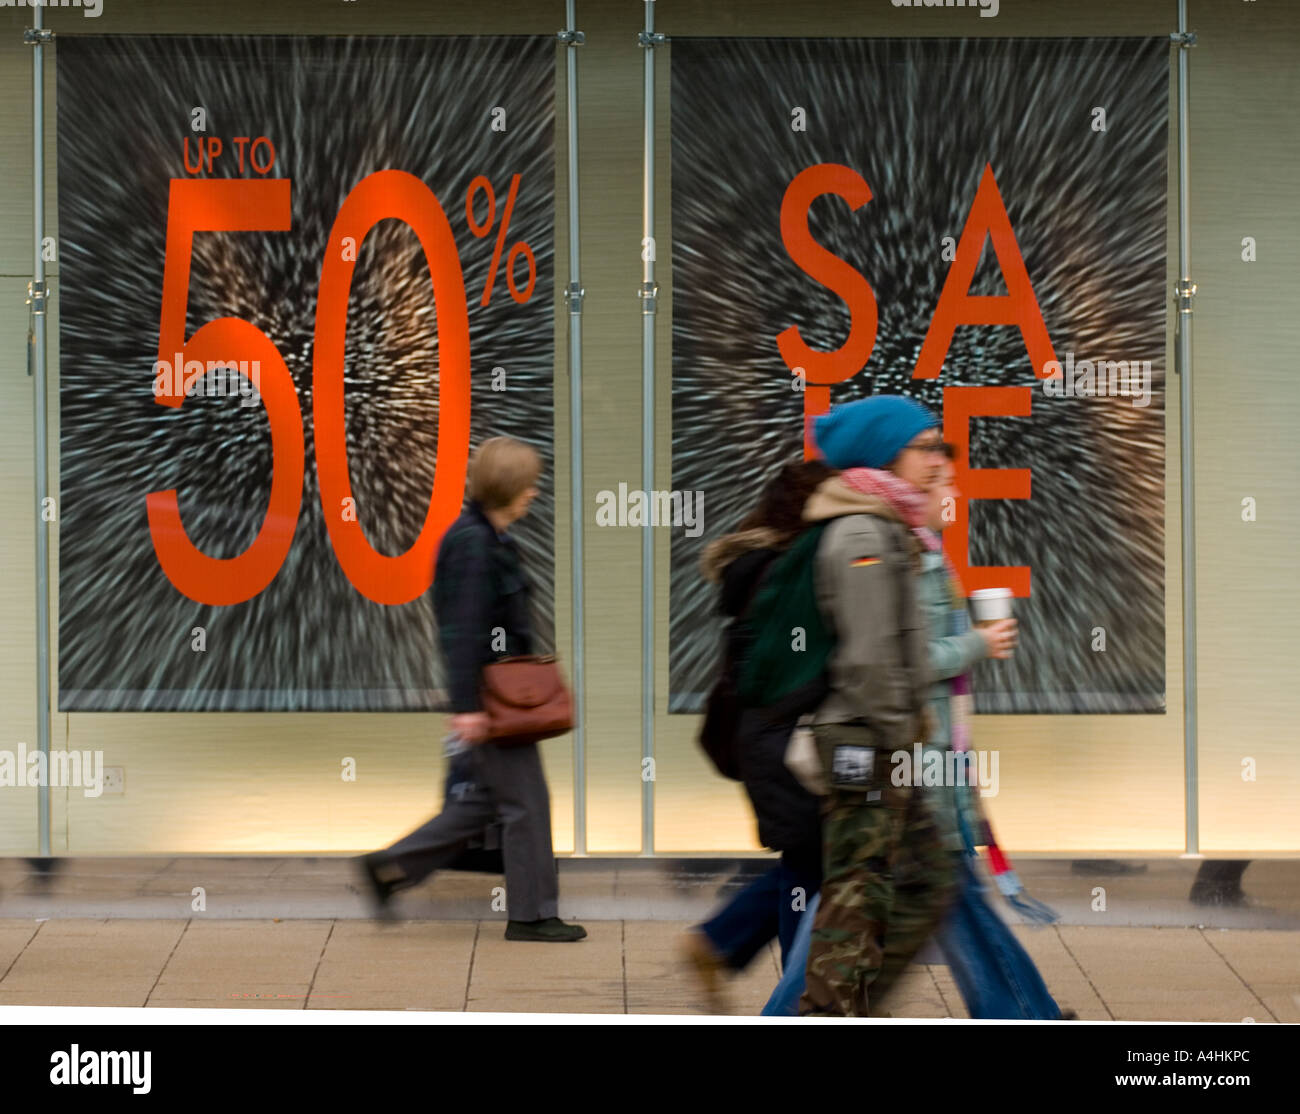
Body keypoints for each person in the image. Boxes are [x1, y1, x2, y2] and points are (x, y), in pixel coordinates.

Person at [763, 446, 1068, 1019]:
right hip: (903, 756)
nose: (950, 496)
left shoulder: (924, 553)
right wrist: (977, 645)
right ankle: (1025, 1014)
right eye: (938, 483)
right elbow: (896, 660)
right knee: (889, 896)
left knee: (870, 899)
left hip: (919, 755)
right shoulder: (889, 548)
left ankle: (1021, 1011)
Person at [358, 437, 586, 943]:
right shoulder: (473, 543)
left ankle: (389, 868)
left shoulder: (491, 538)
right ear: (507, 487)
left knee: (485, 804)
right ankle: (531, 916)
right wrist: (467, 708)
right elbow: (462, 630)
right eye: (528, 484)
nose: (534, 493)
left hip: (501, 701)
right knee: (526, 805)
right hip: (495, 704)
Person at [795, 395, 959, 1017]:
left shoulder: (889, 524)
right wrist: (900, 735)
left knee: (922, 882)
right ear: (885, 453)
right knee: (858, 888)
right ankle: (829, 1012)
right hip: (864, 742)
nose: (938, 459)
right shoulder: (861, 532)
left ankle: (852, 1005)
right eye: (925, 446)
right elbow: (866, 658)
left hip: (884, 738)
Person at [682, 459, 835, 1007]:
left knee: (809, 862)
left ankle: (720, 943)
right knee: (812, 864)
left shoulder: (765, 569)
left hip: (768, 743)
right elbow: (785, 672)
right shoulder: (784, 574)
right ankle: (797, 996)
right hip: (786, 745)